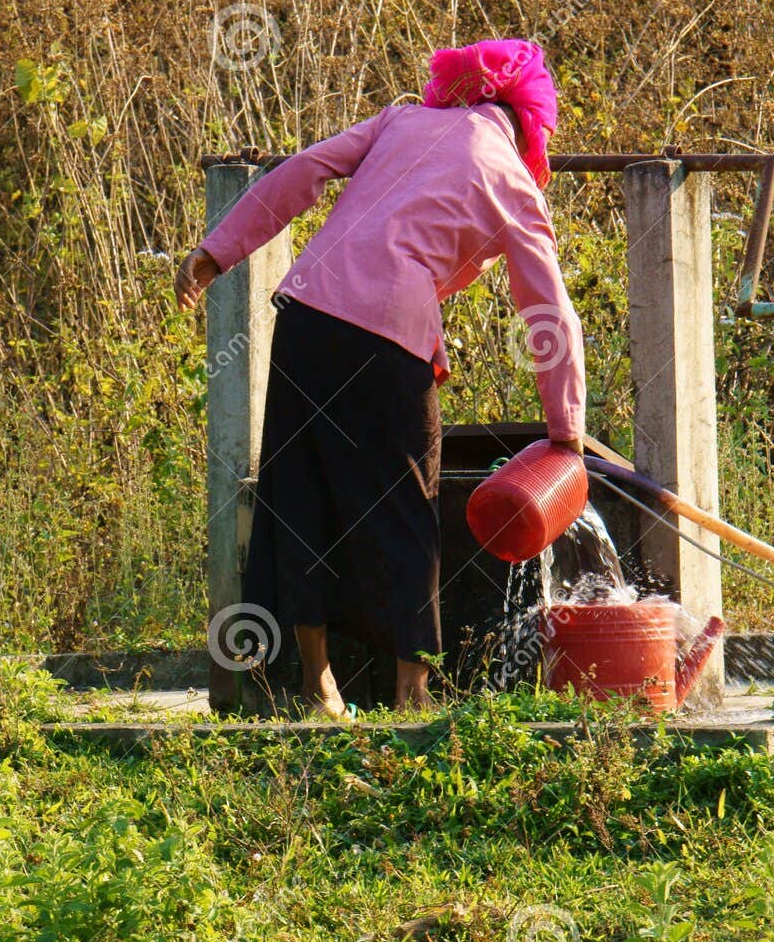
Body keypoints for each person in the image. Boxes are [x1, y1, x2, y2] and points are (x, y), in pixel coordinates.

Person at [175, 38, 586, 717]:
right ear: (526, 122)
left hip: (305, 315)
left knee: (297, 493)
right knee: (403, 510)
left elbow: (302, 171)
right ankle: (411, 690)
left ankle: (316, 686)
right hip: (385, 340)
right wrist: (564, 430)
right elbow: (548, 311)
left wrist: (217, 250)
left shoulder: (399, 121)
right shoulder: (508, 176)